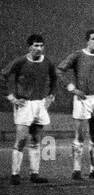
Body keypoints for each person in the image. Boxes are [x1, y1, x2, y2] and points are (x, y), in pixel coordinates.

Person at [57, 28, 94, 180]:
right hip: (83, 99)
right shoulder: (77, 55)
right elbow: (59, 70)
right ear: (87, 40)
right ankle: (76, 170)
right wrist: (72, 88)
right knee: (80, 136)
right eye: (93, 39)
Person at [4, 34, 57, 184]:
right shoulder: (20, 61)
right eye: (35, 45)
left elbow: (54, 78)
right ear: (29, 47)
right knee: (21, 140)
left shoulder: (47, 62)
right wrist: (12, 97)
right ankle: (15, 174)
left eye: (41, 45)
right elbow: (3, 76)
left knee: (36, 140)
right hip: (24, 104)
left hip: (40, 104)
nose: (39, 48)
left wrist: (51, 95)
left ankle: (34, 174)